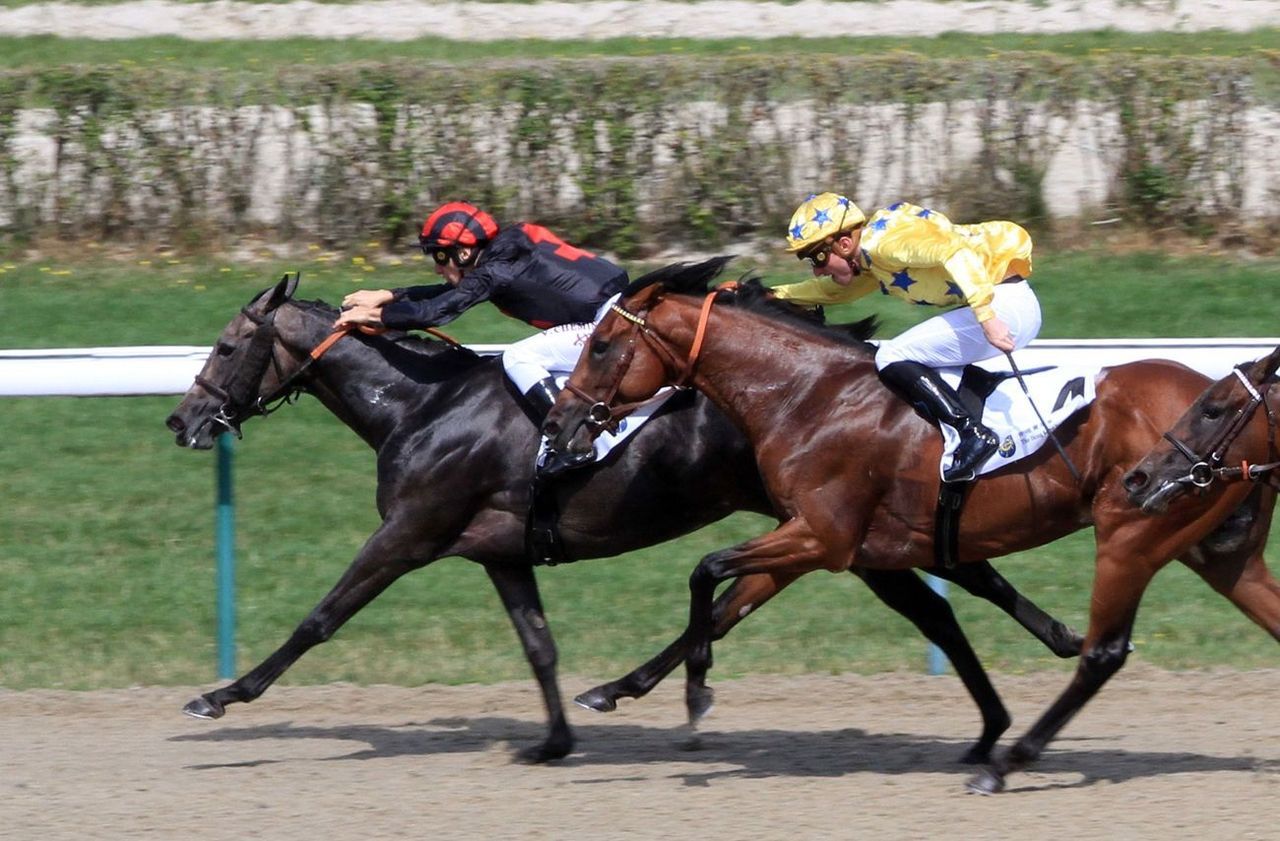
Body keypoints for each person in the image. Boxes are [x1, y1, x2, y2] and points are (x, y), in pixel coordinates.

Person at [772, 192, 1040, 482]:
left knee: (891, 355)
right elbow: (833, 293)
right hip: (1008, 304)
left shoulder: (883, 245)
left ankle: (972, 435)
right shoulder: (872, 259)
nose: (817, 270)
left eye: (816, 257)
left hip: (1004, 307)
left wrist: (987, 316)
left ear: (845, 243)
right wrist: (771, 295)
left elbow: (955, 251)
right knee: (912, 356)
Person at [335, 200, 629, 420]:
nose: (437, 268)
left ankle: (568, 433)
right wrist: (388, 295)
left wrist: (378, 316)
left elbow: (434, 313)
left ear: (462, 252)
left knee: (519, 357)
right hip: (617, 309)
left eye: (439, 257)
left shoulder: (496, 270)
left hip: (609, 324)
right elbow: (455, 291)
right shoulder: (504, 250)